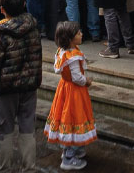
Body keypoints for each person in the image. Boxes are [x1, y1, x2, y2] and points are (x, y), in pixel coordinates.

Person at [0, 0, 43, 171]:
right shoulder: (33, 26)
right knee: (27, 127)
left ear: (2, 9)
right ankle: (29, 166)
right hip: (30, 85)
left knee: (5, 129)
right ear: (24, 4)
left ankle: (5, 167)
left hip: (8, 87)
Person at [44, 20, 96, 170]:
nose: (81, 34)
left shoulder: (62, 51)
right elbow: (77, 78)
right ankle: (69, 156)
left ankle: (74, 148)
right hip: (74, 92)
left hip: (64, 89)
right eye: (78, 33)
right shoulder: (73, 56)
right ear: (71, 38)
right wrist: (87, 81)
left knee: (67, 117)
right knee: (73, 117)